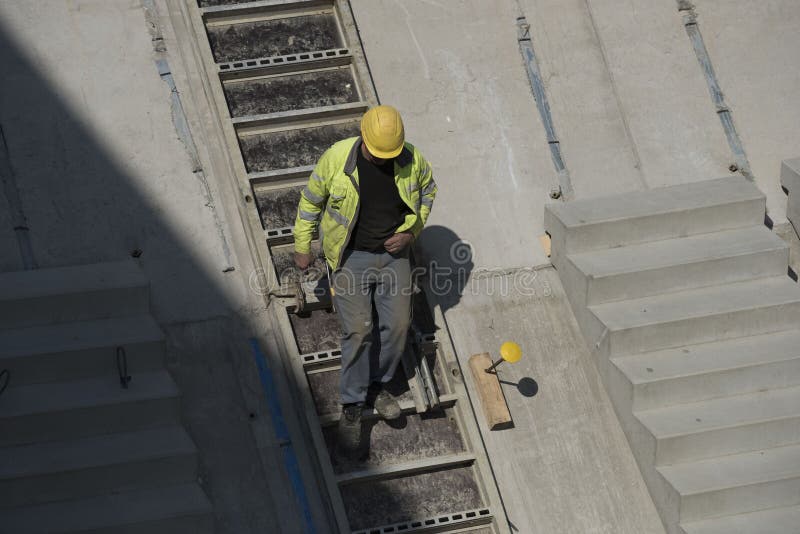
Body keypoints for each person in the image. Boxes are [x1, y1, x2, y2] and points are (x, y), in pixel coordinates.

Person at [293, 105, 437, 451]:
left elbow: (428, 192)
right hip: (351, 257)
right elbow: (310, 201)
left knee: (399, 325)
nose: (384, 159)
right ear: (363, 137)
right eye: (378, 153)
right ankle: (353, 403)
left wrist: (411, 232)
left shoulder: (412, 159)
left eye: (390, 154)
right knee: (358, 330)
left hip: (393, 256)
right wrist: (302, 244)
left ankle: (377, 384)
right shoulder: (337, 159)